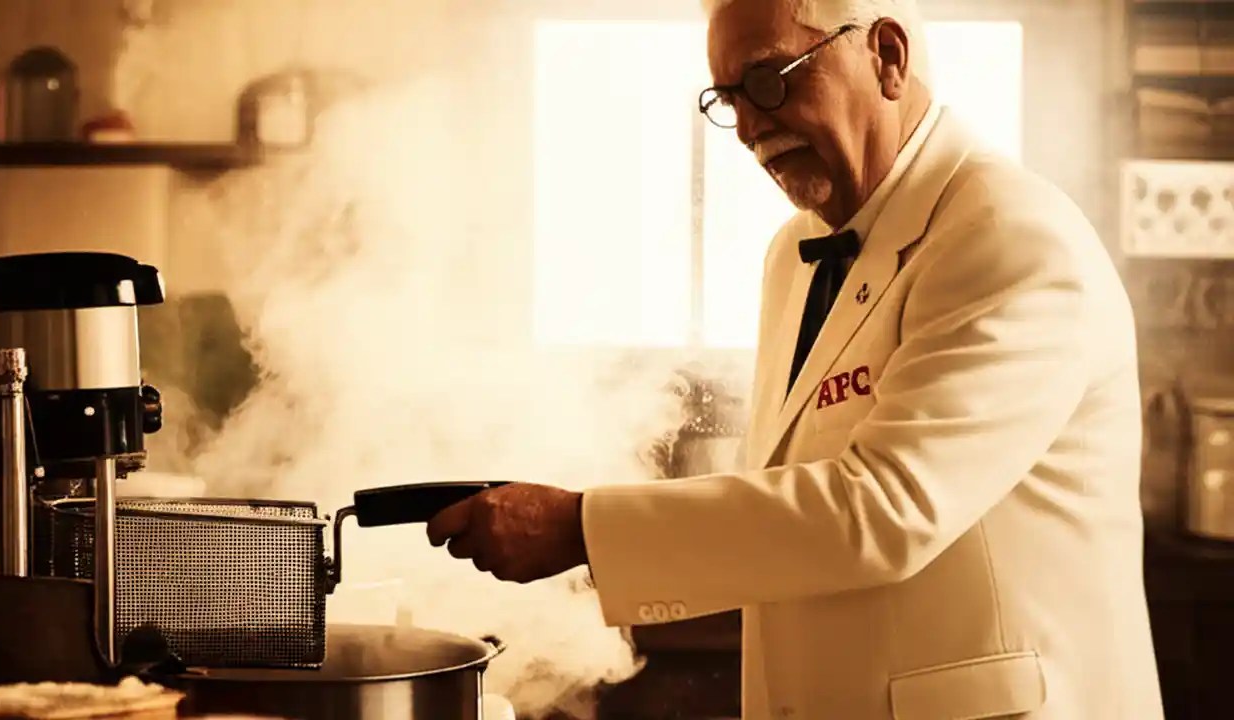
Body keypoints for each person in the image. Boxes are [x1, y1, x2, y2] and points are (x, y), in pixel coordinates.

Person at [426, 0, 1166, 716]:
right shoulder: (796, 251)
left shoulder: (1007, 232)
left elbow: (884, 509)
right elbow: (791, 497)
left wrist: (581, 528)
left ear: (887, 57)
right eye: (728, 99)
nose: (749, 127)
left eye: (769, 80)